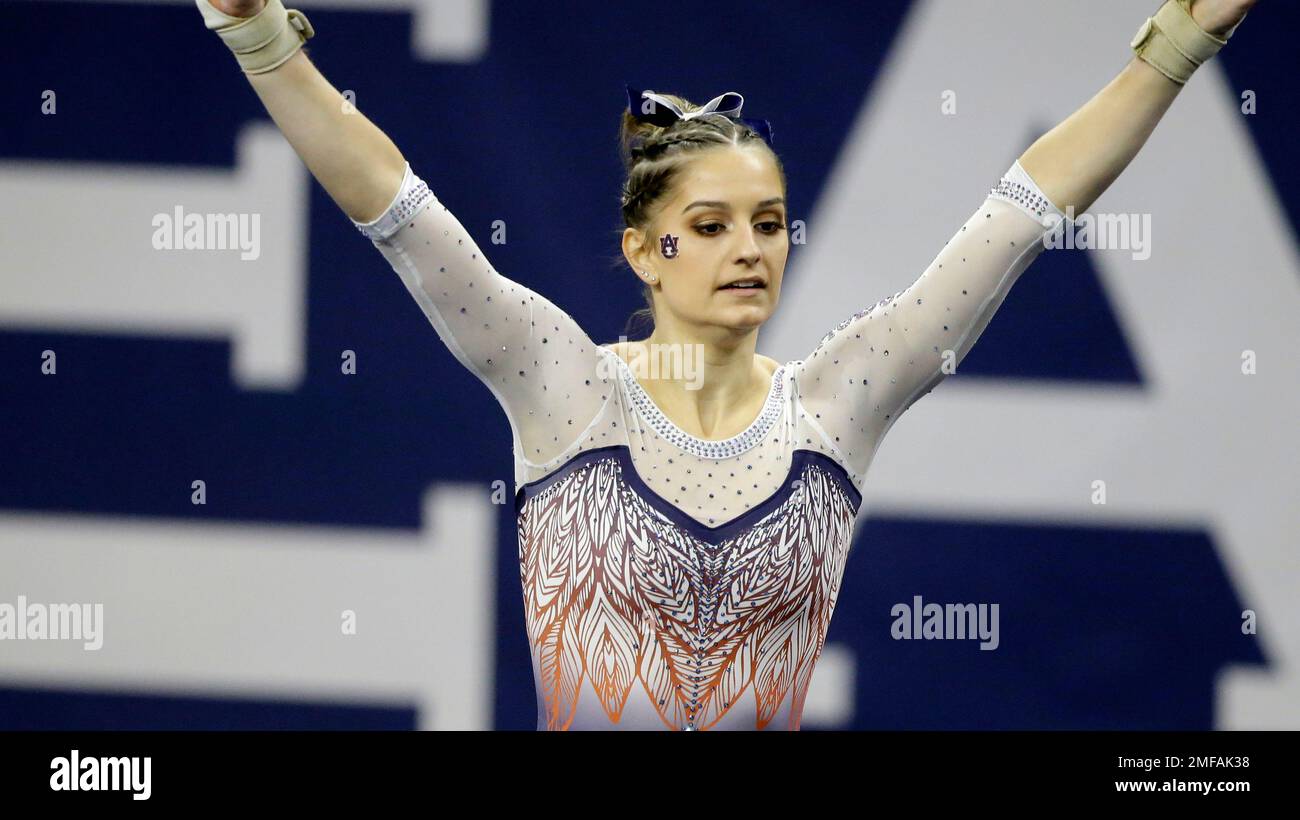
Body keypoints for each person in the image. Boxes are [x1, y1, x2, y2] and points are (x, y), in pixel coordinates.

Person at [194, 0, 1256, 730]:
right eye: (709, 225)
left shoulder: (841, 400)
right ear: (643, 249)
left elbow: (1021, 211)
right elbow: (392, 205)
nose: (750, 248)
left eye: (769, 223)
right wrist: (257, 38)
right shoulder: (564, 385)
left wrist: (1174, 45)